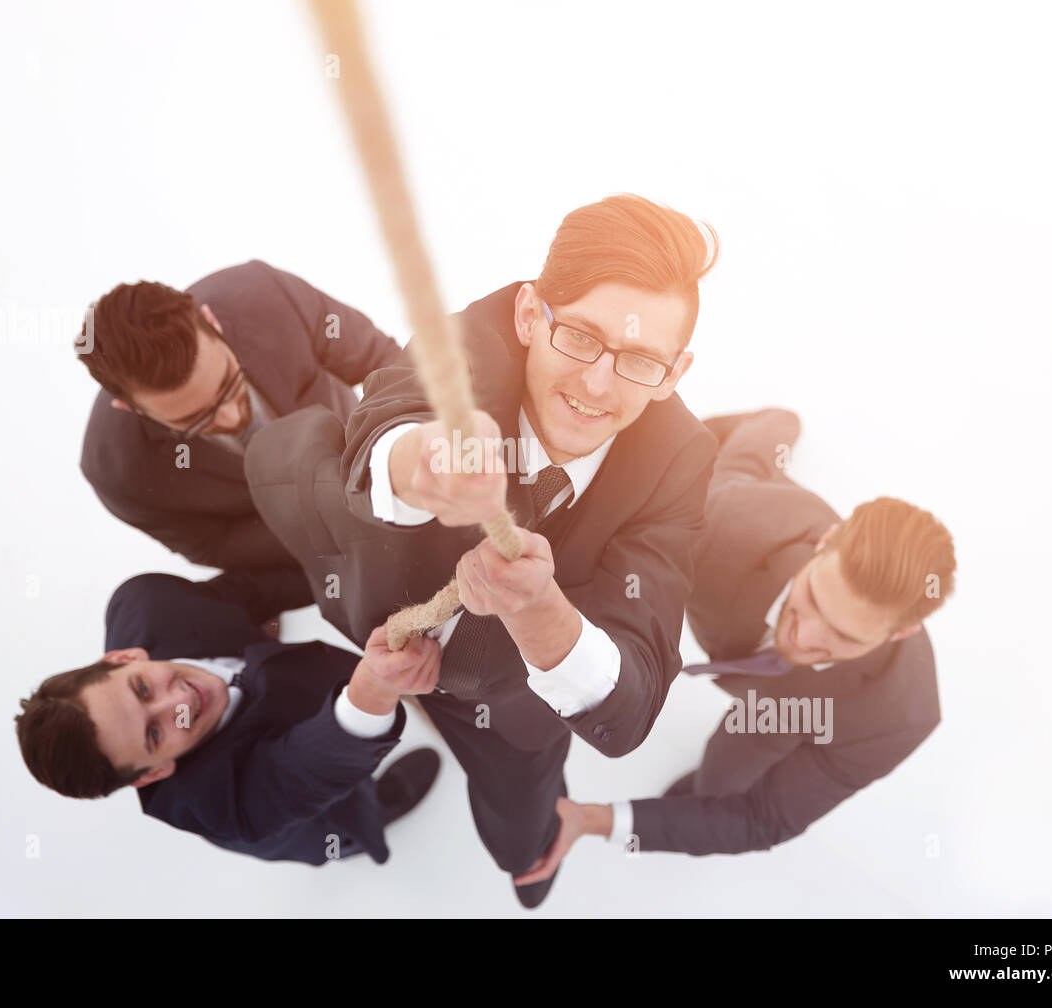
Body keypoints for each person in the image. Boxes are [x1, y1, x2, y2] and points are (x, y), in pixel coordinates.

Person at [245, 195, 720, 906]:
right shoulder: (464, 344)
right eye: (581, 338)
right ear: (530, 315)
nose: (596, 387)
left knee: (519, 825)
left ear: (676, 372)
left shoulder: (680, 460)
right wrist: (427, 464)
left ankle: (526, 863)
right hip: (377, 607)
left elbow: (630, 704)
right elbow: (390, 425)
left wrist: (540, 613)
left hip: (515, 704)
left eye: (640, 361)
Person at [514, 409, 956, 882]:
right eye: (811, 600)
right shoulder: (728, 519)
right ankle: (779, 419)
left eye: (844, 636)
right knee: (744, 453)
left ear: (898, 634)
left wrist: (596, 820)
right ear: (824, 543)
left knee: (719, 786)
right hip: (745, 503)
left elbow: (761, 817)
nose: (801, 640)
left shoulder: (899, 719)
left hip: (792, 715)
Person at [14, 572, 441, 866]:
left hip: (272, 677)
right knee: (335, 819)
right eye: (154, 732)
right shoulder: (223, 807)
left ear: (125, 657)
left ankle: (256, 656)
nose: (178, 701)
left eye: (143, 688)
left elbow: (251, 588)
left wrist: (358, 573)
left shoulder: (147, 603)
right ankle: (362, 828)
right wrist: (371, 693)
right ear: (154, 772)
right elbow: (309, 770)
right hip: (288, 807)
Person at [78, 260, 401, 622]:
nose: (232, 418)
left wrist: (400, 455)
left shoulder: (265, 295)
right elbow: (213, 544)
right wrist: (323, 523)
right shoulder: (116, 472)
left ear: (213, 323)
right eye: (194, 420)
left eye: (228, 384)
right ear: (130, 408)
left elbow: (385, 362)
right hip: (297, 545)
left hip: (368, 456)